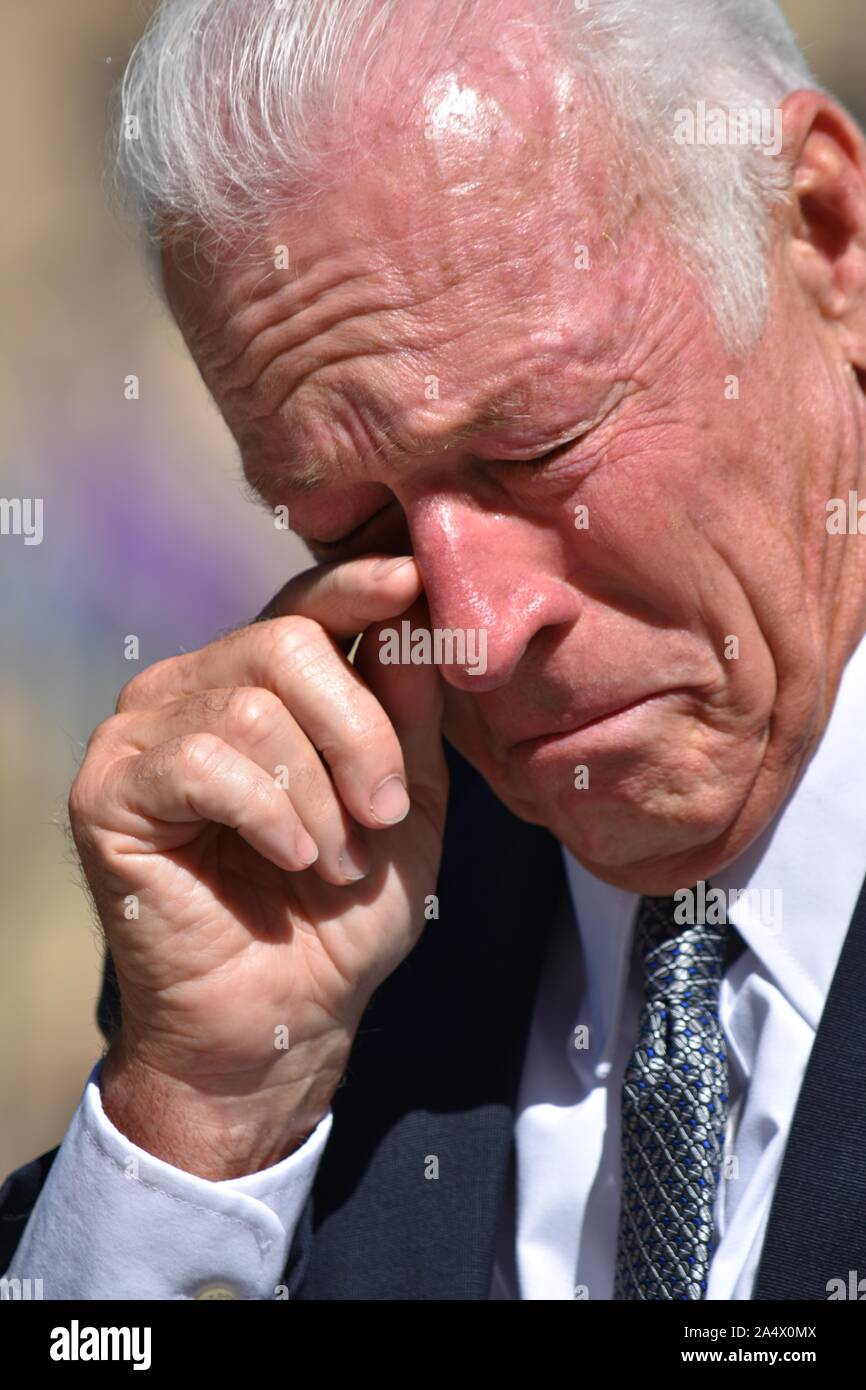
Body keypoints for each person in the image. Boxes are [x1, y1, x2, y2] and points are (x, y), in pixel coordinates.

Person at [3, 0, 866, 1301]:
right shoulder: (304, 969)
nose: (476, 635)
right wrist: (199, 1123)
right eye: (350, 523)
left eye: (539, 447)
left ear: (822, 233)